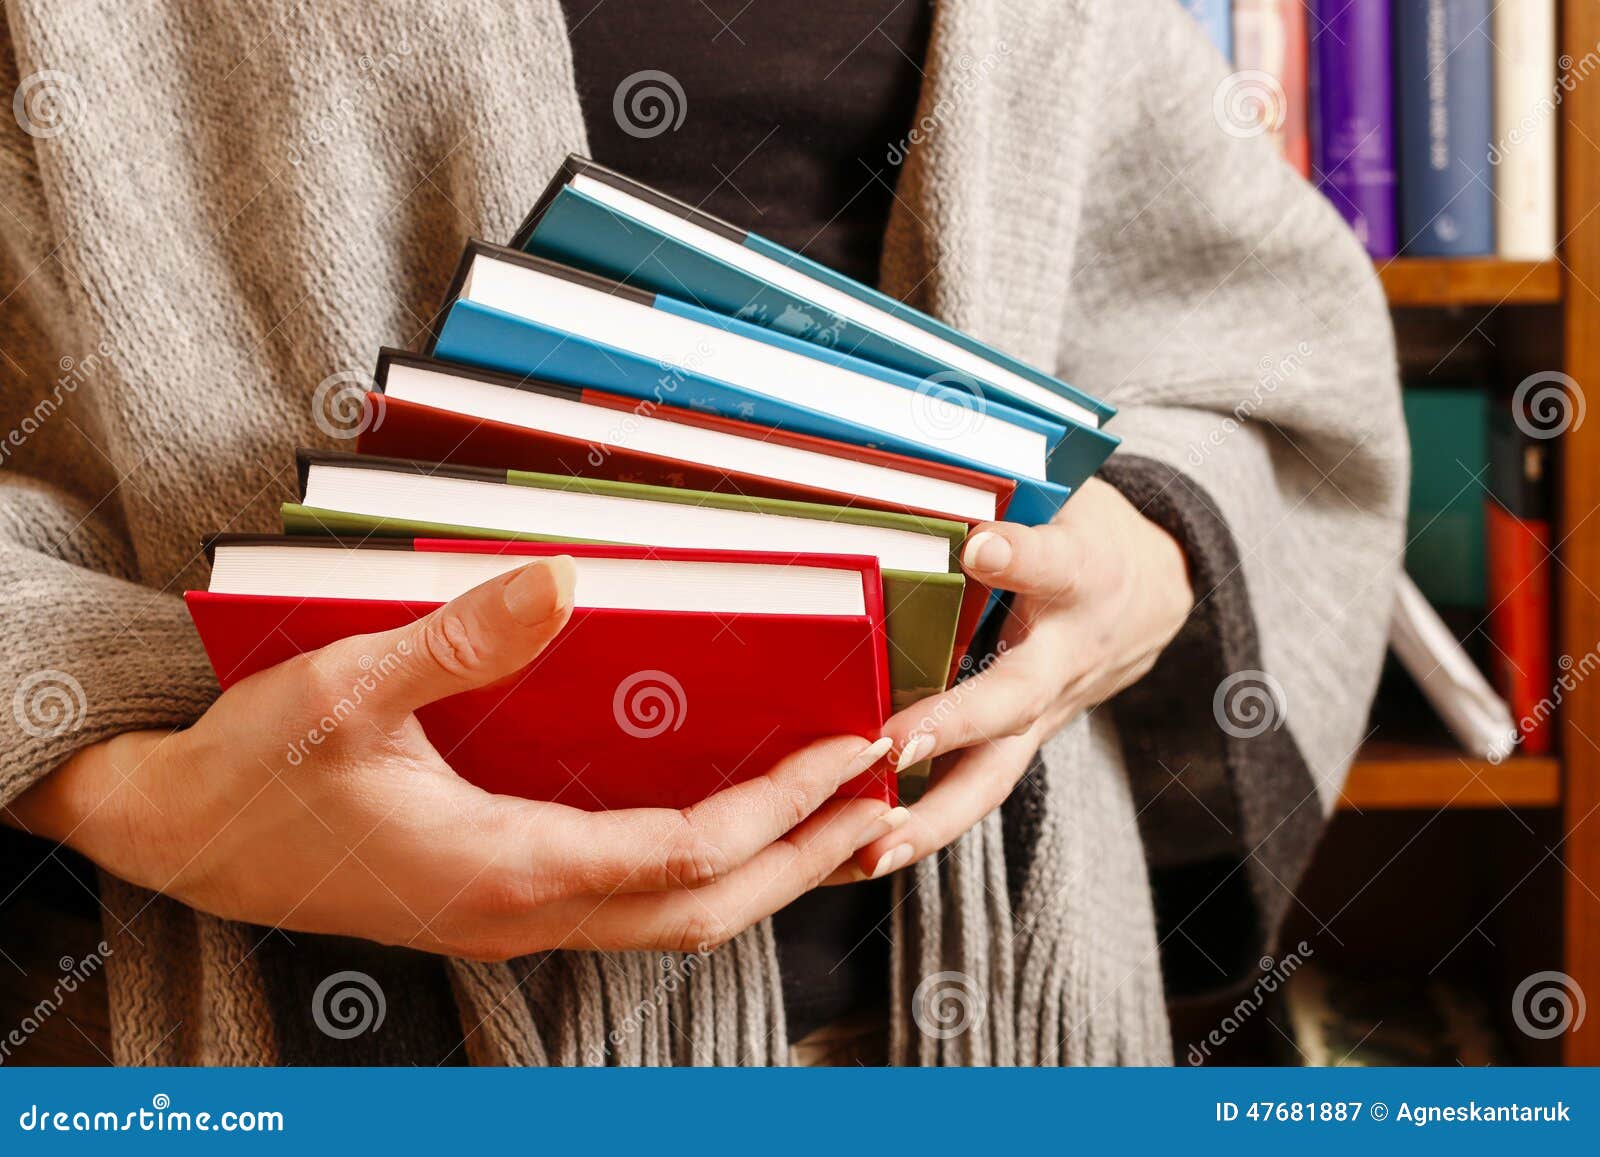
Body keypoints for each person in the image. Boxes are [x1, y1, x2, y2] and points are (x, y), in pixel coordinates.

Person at [0, 0, 1404, 1066]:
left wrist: (1144, 561)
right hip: (275, 1021)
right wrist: (146, 801)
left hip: (975, 1013)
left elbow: (1270, 359)